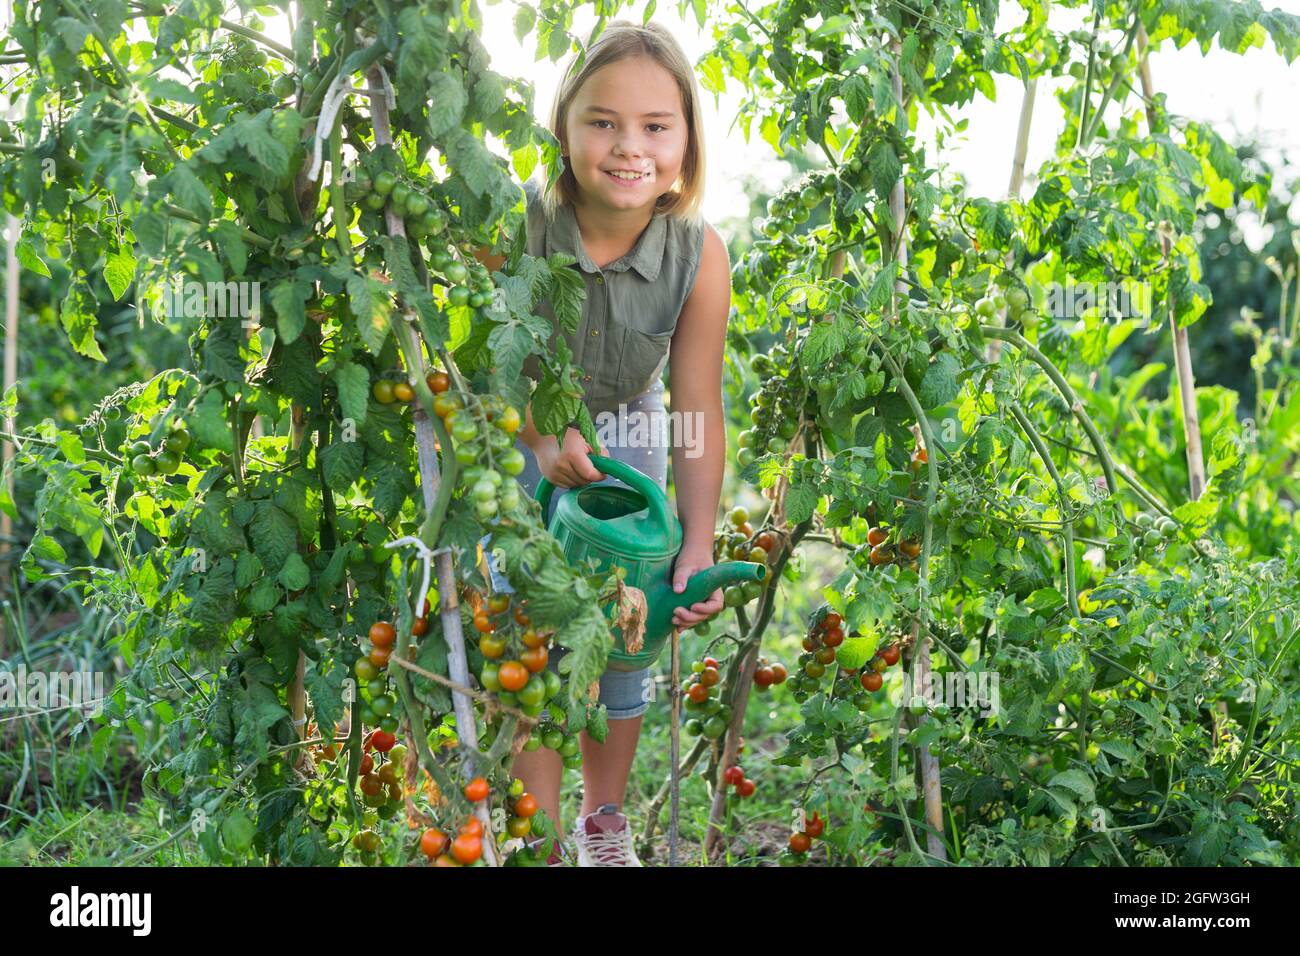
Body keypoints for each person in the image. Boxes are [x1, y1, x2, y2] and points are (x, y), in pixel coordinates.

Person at [477, 20, 731, 866]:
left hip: (628, 435)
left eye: (657, 126)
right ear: (562, 124)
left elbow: (696, 410)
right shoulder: (515, 223)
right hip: (512, 432)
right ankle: (536, 838)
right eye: (602, 121)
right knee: (530, 633)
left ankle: (603, 824)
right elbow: (472, 355)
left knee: (624, 631)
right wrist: (540, 430)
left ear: (687, 141)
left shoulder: (700, 255)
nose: (630, 147)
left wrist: (695, 543)